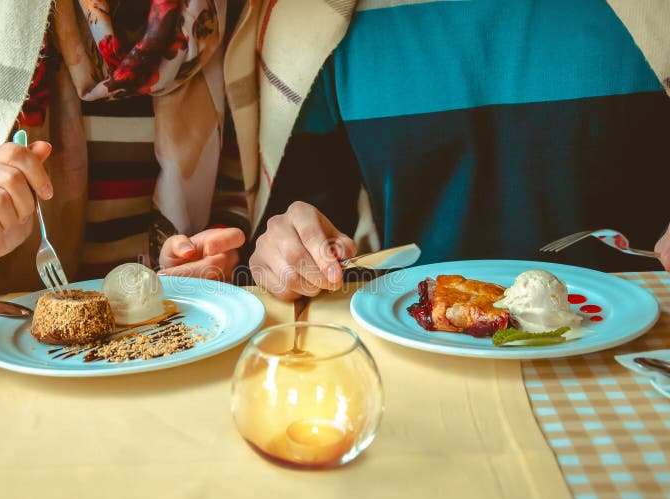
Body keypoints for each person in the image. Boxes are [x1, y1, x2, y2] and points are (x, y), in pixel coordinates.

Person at [225, 0, 670, 301]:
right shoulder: (312, 25)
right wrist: (290, 252)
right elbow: (308, 233)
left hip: (633, 367)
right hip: (417, 356)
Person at [0, 0, 249, 295]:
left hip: (178, 323)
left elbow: (238, 186)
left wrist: (212, 250)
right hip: (19, 338)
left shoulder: (232, 16)